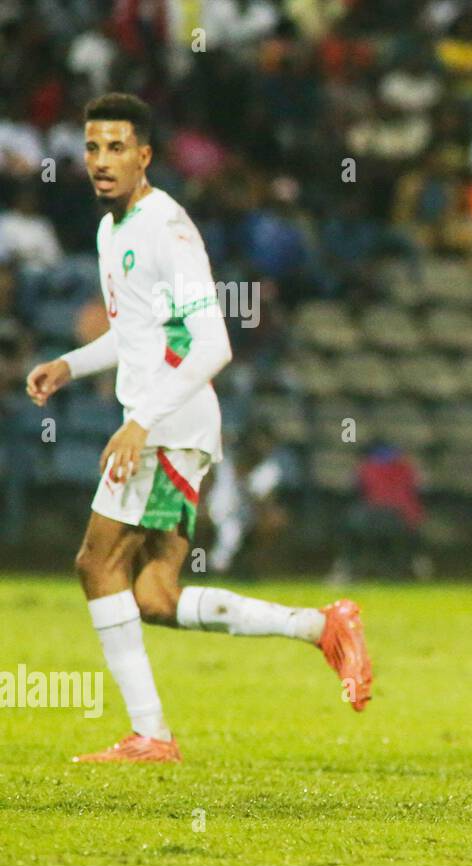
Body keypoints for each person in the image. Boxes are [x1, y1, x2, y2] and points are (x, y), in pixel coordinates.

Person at [24, 93, 372, 764]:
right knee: (153, 595)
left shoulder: (168, 228)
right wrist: (70, 363)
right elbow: (134, 337)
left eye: (117, 147)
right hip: (168, 422)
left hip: (167, 422)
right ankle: (324, 626)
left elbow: (214, 345)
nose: (101, 161)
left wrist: (139, 423)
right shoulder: (110, 231)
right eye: (92, 148)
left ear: (145, 155)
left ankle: (151, 736)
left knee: (97, 564)